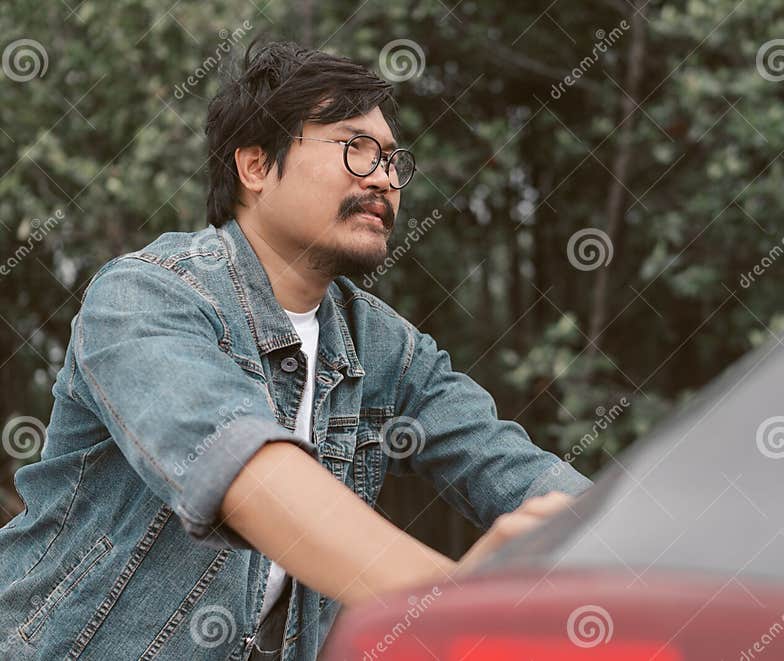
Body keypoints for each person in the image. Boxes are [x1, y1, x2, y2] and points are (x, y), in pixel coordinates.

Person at [0, 40, 592, 660]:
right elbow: (239, 468)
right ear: (255, 167)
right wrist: (448, 608)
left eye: (393, 160)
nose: (385, 177)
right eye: (356, 148)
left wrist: (634, 552)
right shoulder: (146, 296)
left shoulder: (385, 347)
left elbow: (513, 469)